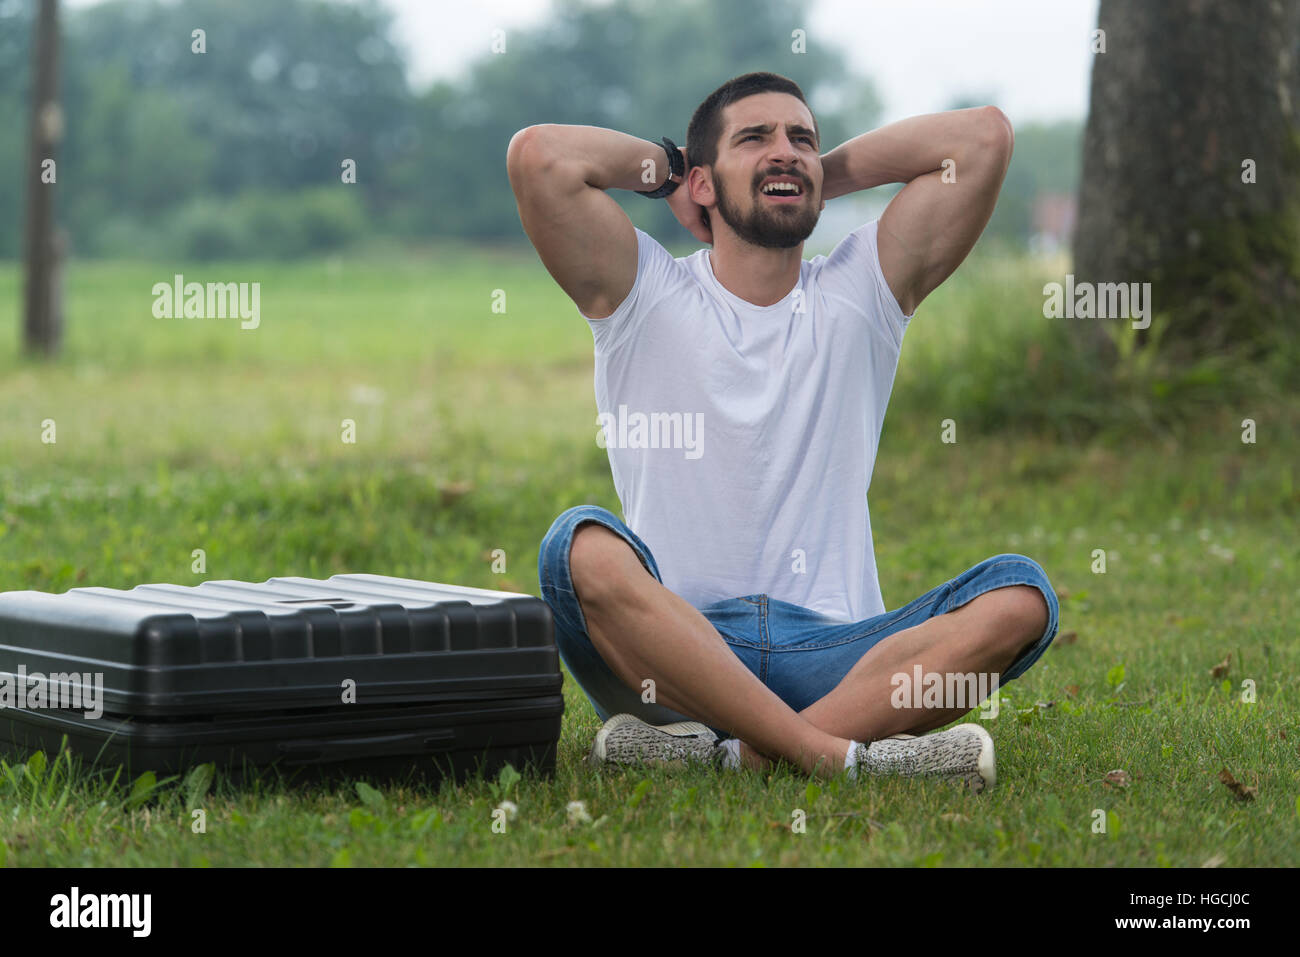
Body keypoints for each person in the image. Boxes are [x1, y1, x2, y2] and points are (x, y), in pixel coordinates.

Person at [507, 72, 1058, 792]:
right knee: (574, 546)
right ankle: (837, 756)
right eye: (755, 138)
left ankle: (735, 756)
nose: (786, 150)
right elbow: (540, 158)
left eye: (803, 139)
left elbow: (982, 138)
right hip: (673, 654)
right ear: (703, 184)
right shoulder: (642, 291)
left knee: (1020, 595)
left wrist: (811, 175)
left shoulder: (862, 291)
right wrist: (672, 167)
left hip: (837, 656)